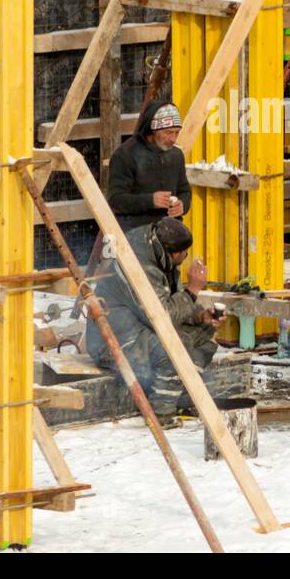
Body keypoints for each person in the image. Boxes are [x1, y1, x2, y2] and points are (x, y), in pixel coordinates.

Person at [87, 217, 222, 419]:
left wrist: (201, 315)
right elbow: (162, 317)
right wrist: (193, 290)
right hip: (115, 339)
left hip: (142, 327)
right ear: (175, 253)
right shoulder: (139, 265)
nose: (186, 258)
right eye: (184, 254)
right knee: (175, 348)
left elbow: (170, 301)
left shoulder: (160, 255)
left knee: (206, 334)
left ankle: (185, 396)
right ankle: (162, 413)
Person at [107, 101, 192, 231]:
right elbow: (116, 200)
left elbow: (184, 191)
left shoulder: (176, 155)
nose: (173, 139)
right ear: (153, 130)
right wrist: (150, 200)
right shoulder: (125, 155)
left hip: (169, 233)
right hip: (135, 233)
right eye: (168, 132)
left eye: (177, 133)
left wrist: (182, 205)